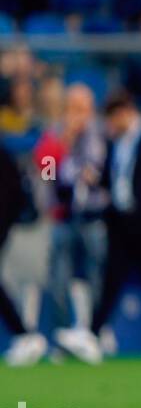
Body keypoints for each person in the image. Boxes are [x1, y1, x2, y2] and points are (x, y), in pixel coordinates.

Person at [55, 89, 141, 365]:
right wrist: (94, 180)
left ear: (125, 112)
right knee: (111, 282)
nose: (111, 124)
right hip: (122, 224)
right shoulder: (116, 145)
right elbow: (116, 182)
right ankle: (93, 334)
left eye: (113, 117)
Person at [33, 82, 108, 336]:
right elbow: (46, 171)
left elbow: (94, 172)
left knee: (96, 277)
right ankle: (63, 334)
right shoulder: (55, 135)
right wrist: (64, 141)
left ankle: (95, 332)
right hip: (63, 217)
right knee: (59, 278)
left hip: (92, 216)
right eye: (73, 107)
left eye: (83, 108)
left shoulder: (98, 134)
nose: (78, 114)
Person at [1, 140, 47, 365]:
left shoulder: (47, 148)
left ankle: (25, 334)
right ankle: (24, 334)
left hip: (42, 224)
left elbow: (49, 174)